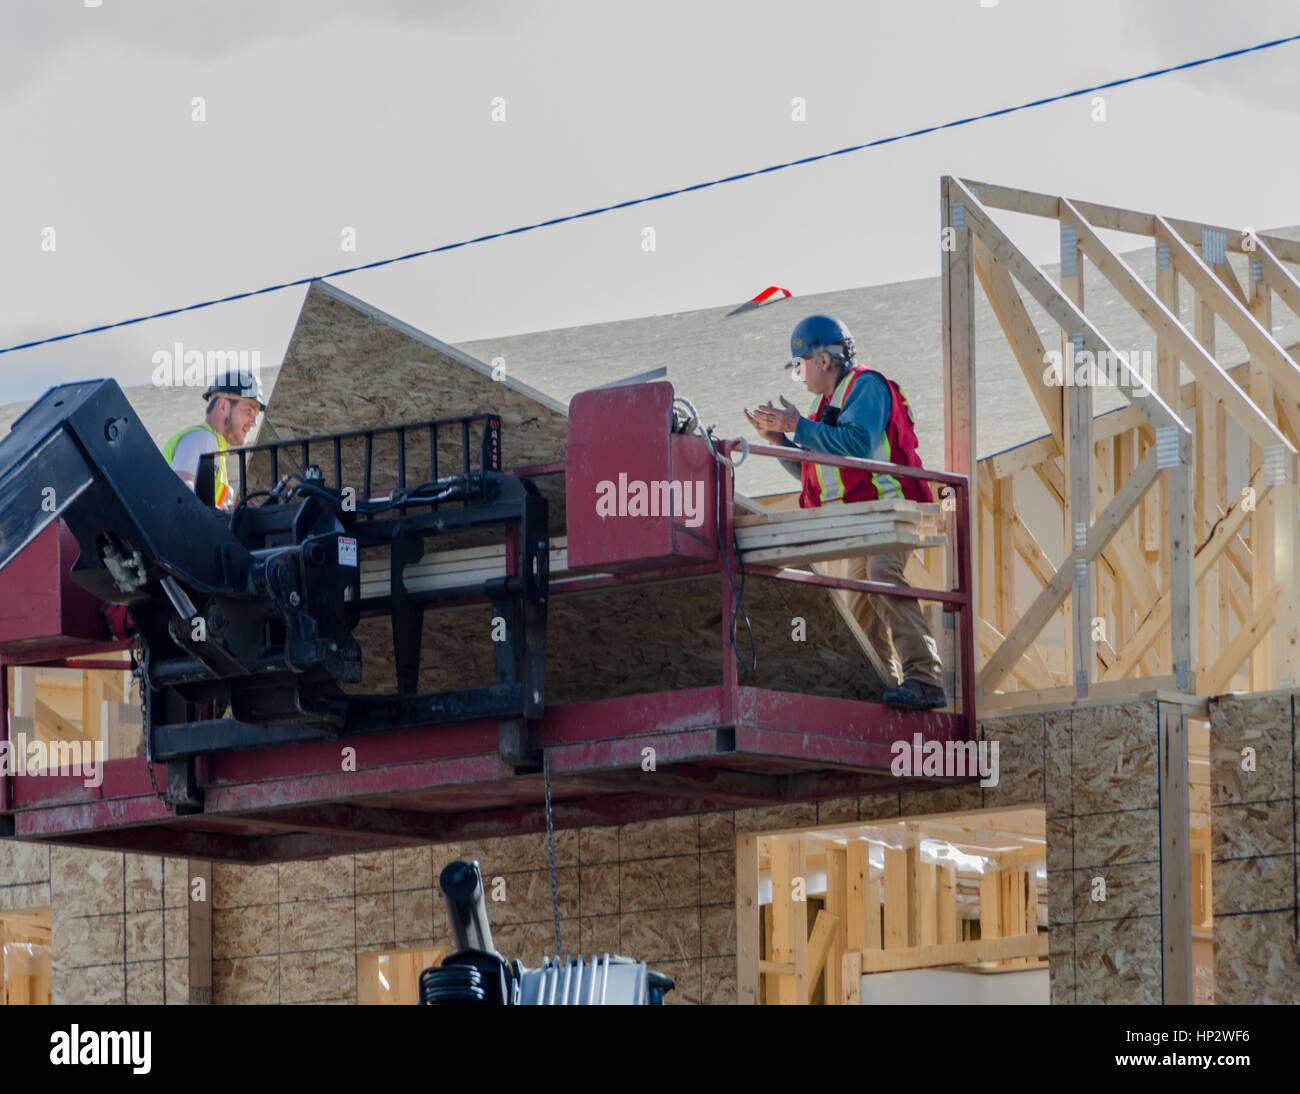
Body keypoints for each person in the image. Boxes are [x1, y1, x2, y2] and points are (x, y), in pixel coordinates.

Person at [745, 314, 945, 711]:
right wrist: (782, 439)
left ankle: (924, 677)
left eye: (799, 366)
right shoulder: (825, 405)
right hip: (867, 515)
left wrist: (797, 427)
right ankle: (882, 682)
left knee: (881, 576)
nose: (799, 376)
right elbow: (812, 469)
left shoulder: (865, 385)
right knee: (861, 600)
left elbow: (855, 443)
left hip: (893, 507)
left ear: (823, 360)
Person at [161, 368, 265, 509]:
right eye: (249, 411)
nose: (254, 422)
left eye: (256, 415)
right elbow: (182, 493)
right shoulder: (202, 438)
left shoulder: (217, 450)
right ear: (223, 406)